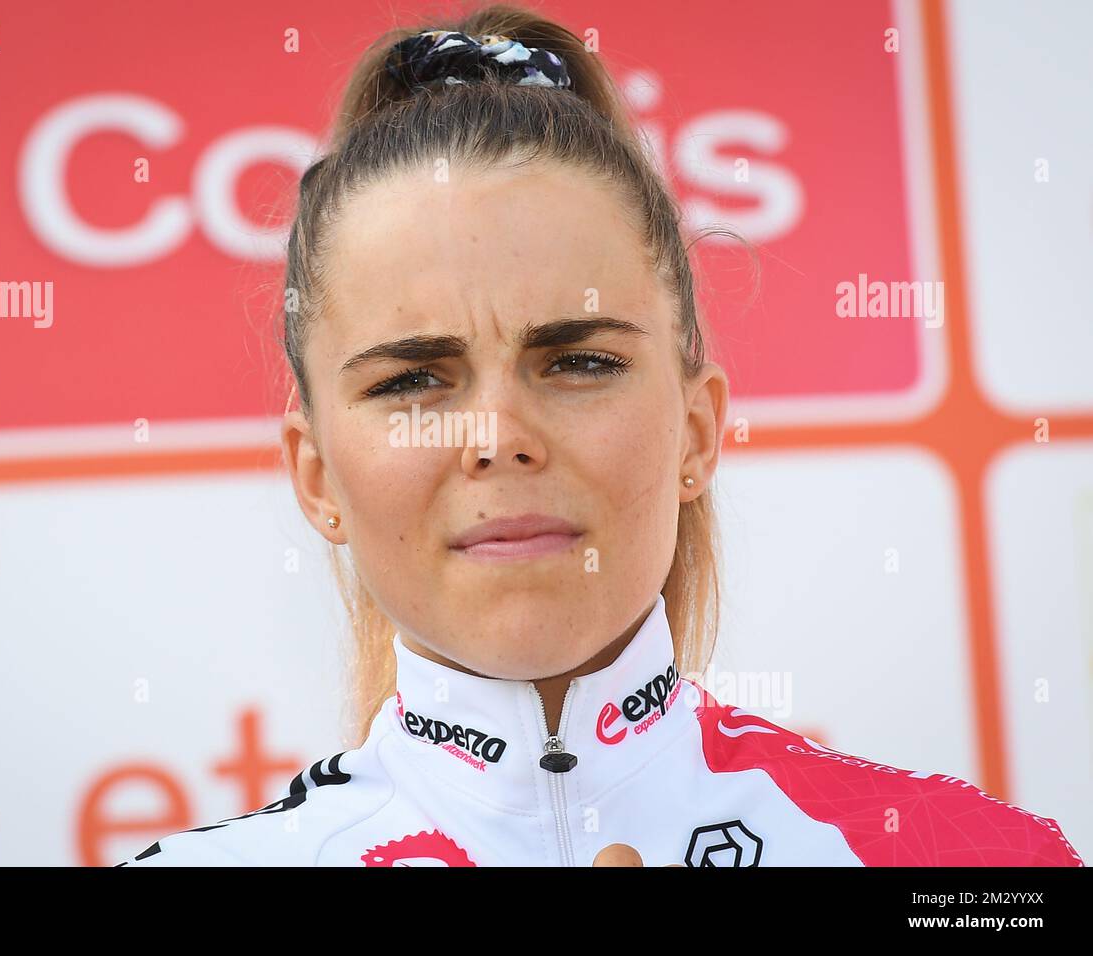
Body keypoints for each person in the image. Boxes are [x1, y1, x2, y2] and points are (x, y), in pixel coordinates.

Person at [116, 6, 1083, 867]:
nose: (498, 436)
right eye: (413, 379)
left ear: (698, 431)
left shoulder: (980, 866)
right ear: (316, 474)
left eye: (577, 361)